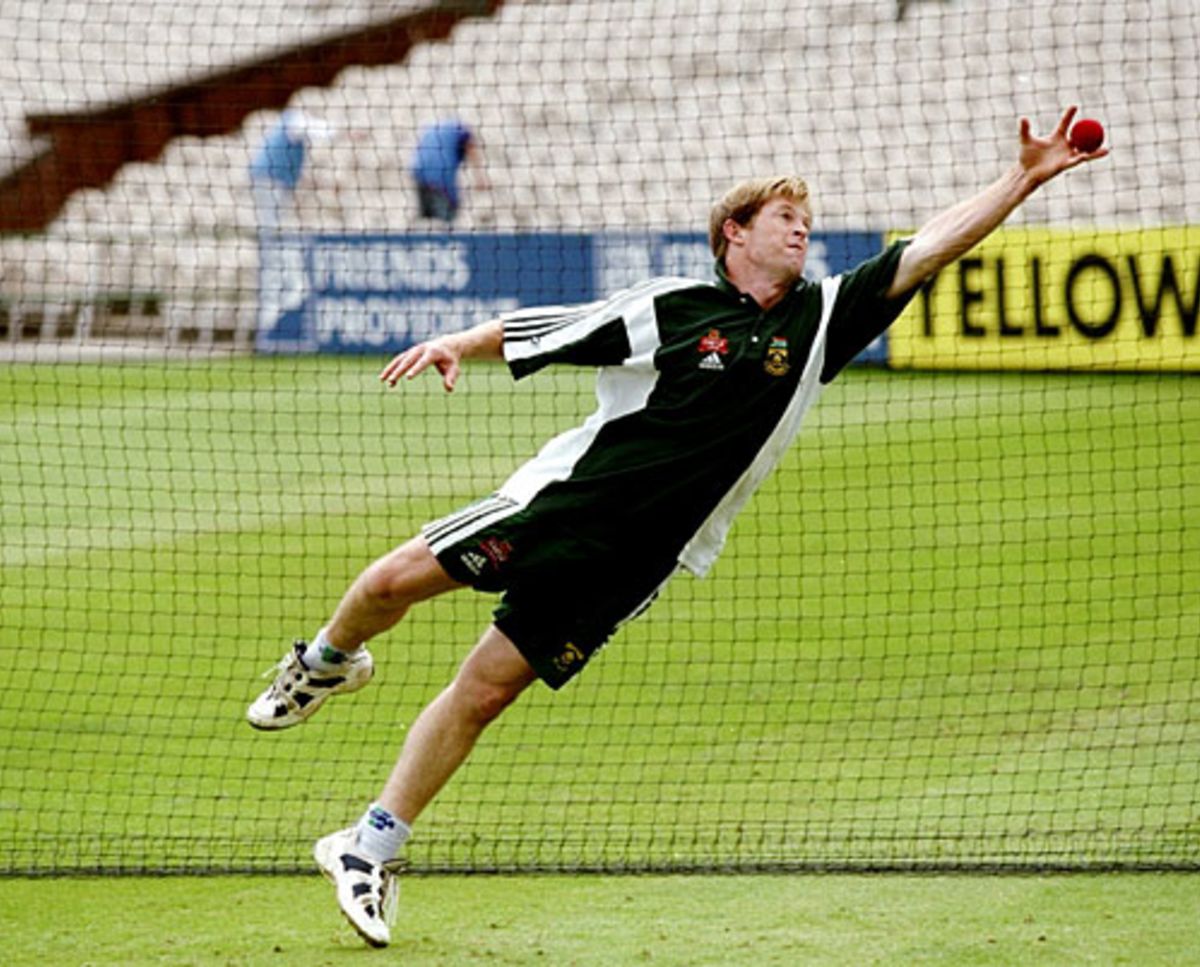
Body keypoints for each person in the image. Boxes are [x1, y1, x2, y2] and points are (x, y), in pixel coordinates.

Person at [247, 107, 1106, 948]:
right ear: (735, 232)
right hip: (565, 504)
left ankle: (368, 845)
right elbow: (555, 328)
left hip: (641, 559)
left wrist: (1022, 178)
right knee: (391, 582)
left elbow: (928, 248)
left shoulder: (819, 321)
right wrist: (458, 345)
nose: (802, 230)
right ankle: (327, 660)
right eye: (785, 217)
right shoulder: (678, 305)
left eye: (806, 221)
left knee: (485, 691)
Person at [248, 109, 339, 233]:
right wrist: (342, 131)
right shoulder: (294, 120)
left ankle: (273, 240)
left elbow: (296, 168)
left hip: (272, 178)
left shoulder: (292, 139)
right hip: (270, 178)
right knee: (273, 220)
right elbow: (317, 129)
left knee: (275, 219)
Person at [409, 117, 487, 223]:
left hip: (418, 170)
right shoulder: (464, 132)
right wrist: (480, 179)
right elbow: (471, 149)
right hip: (439, 173)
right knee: (448, 212)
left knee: (426, 215)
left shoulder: (435, 130)